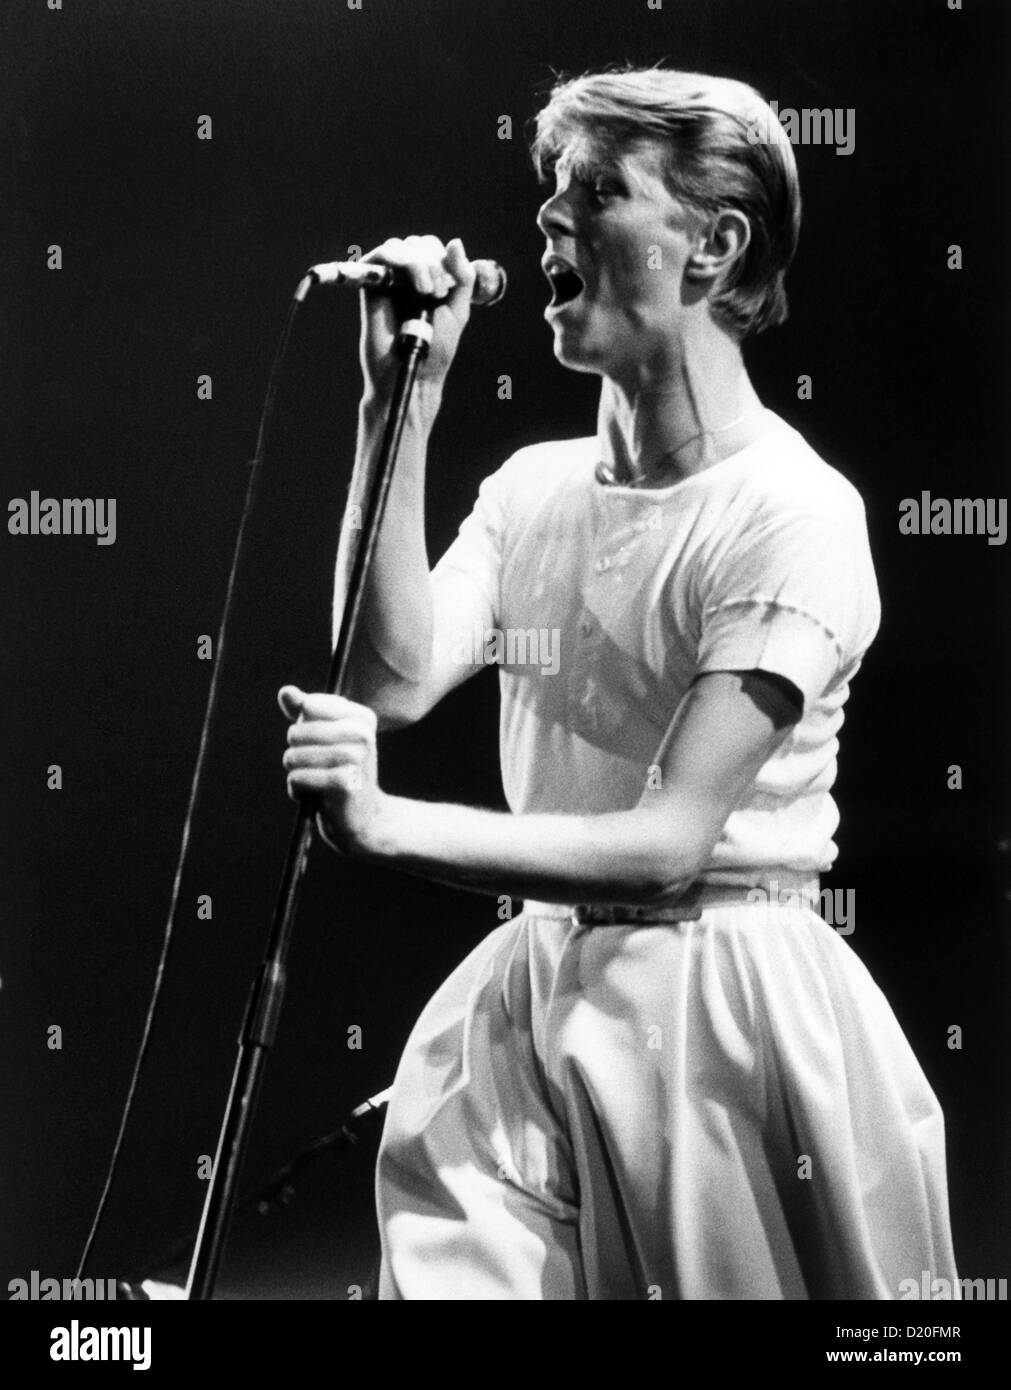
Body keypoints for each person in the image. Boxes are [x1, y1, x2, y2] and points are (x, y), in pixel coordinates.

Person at [278, 68, 959, 1300]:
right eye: (549, 188)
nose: (547, 218)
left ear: (713, 245)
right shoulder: (534, 487)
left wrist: (383, 824)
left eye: (594, 190)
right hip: (533, 996)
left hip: (719, 1014)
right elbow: (386, 681)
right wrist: (398, 409)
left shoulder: (793, 512)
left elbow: (666, 845)